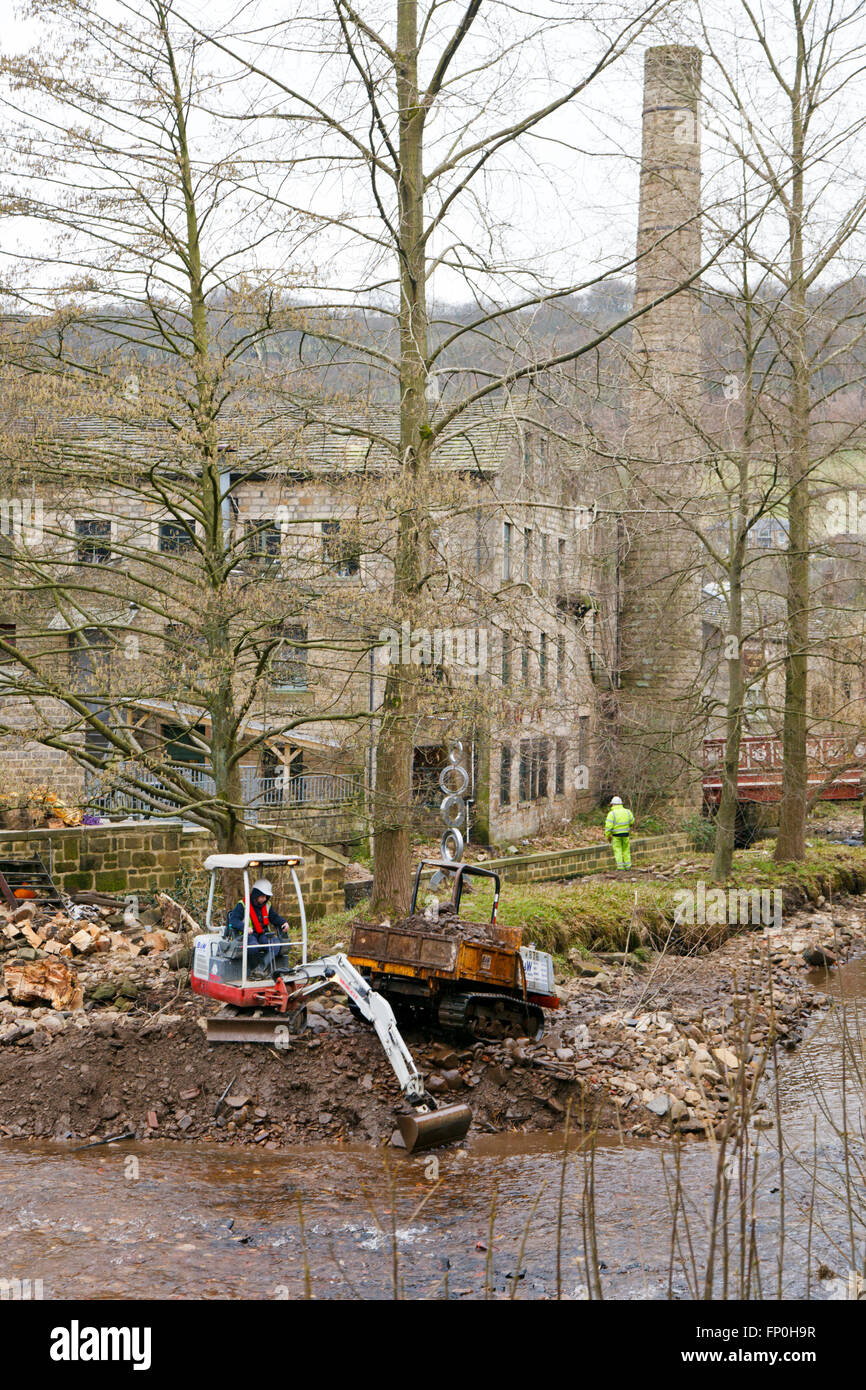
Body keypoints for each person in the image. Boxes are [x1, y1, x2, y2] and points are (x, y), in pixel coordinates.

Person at [227, 878, 291, 978]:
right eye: (262, 896)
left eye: (266, 896)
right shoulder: (242, 905)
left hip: (263, 934)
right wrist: (244, 927)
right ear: (256, 895)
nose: (264, 899)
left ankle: (260, 969)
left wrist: (283, 923)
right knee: (253, 946)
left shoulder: (267, 905)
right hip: (248, 935)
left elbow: (274, 917)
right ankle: (253, 971)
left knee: (276, 944)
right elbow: (233, 920)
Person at [604, 795, 635, 870]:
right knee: (626, 850)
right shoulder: (628, 812)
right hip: (626, 834)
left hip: (616, 836)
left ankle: (620, 867)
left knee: (618, 850)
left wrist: (607, 835)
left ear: (613, 804)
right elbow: (632, 821)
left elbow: (608, 827)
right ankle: (628, 866)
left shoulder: (612, 814)